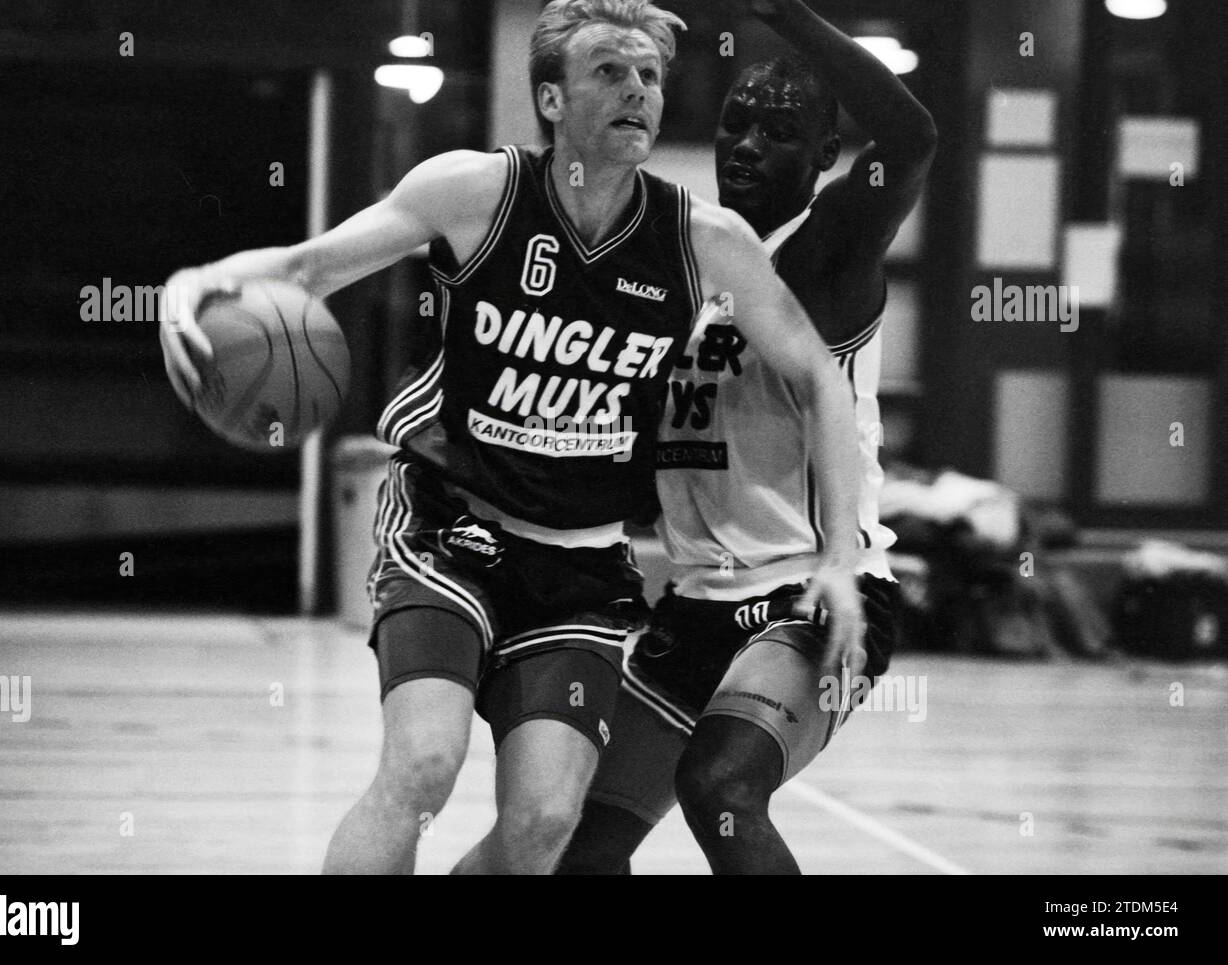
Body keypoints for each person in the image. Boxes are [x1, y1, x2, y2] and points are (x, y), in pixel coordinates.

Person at [160, 0, 864, 875]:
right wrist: (197, 280)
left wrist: (839, 554)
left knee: (542, 823)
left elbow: (819, 379)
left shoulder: (701, 240)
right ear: (553, 100)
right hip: (449, 532)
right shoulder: (476, 191)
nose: (637, 91)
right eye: (610, 70)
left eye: (649, 76)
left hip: (580, 566)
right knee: (422, 764)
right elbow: (309, 267)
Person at [557, 0, 937, 874]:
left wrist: (786, 16)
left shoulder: (824, 252)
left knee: (722, 786)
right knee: (577, 847)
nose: (748, 147)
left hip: (818, 596)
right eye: (735, 126)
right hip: (694, 605)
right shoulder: (685, 265)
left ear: (823, 158)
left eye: (778, 133)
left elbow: (912, 137)